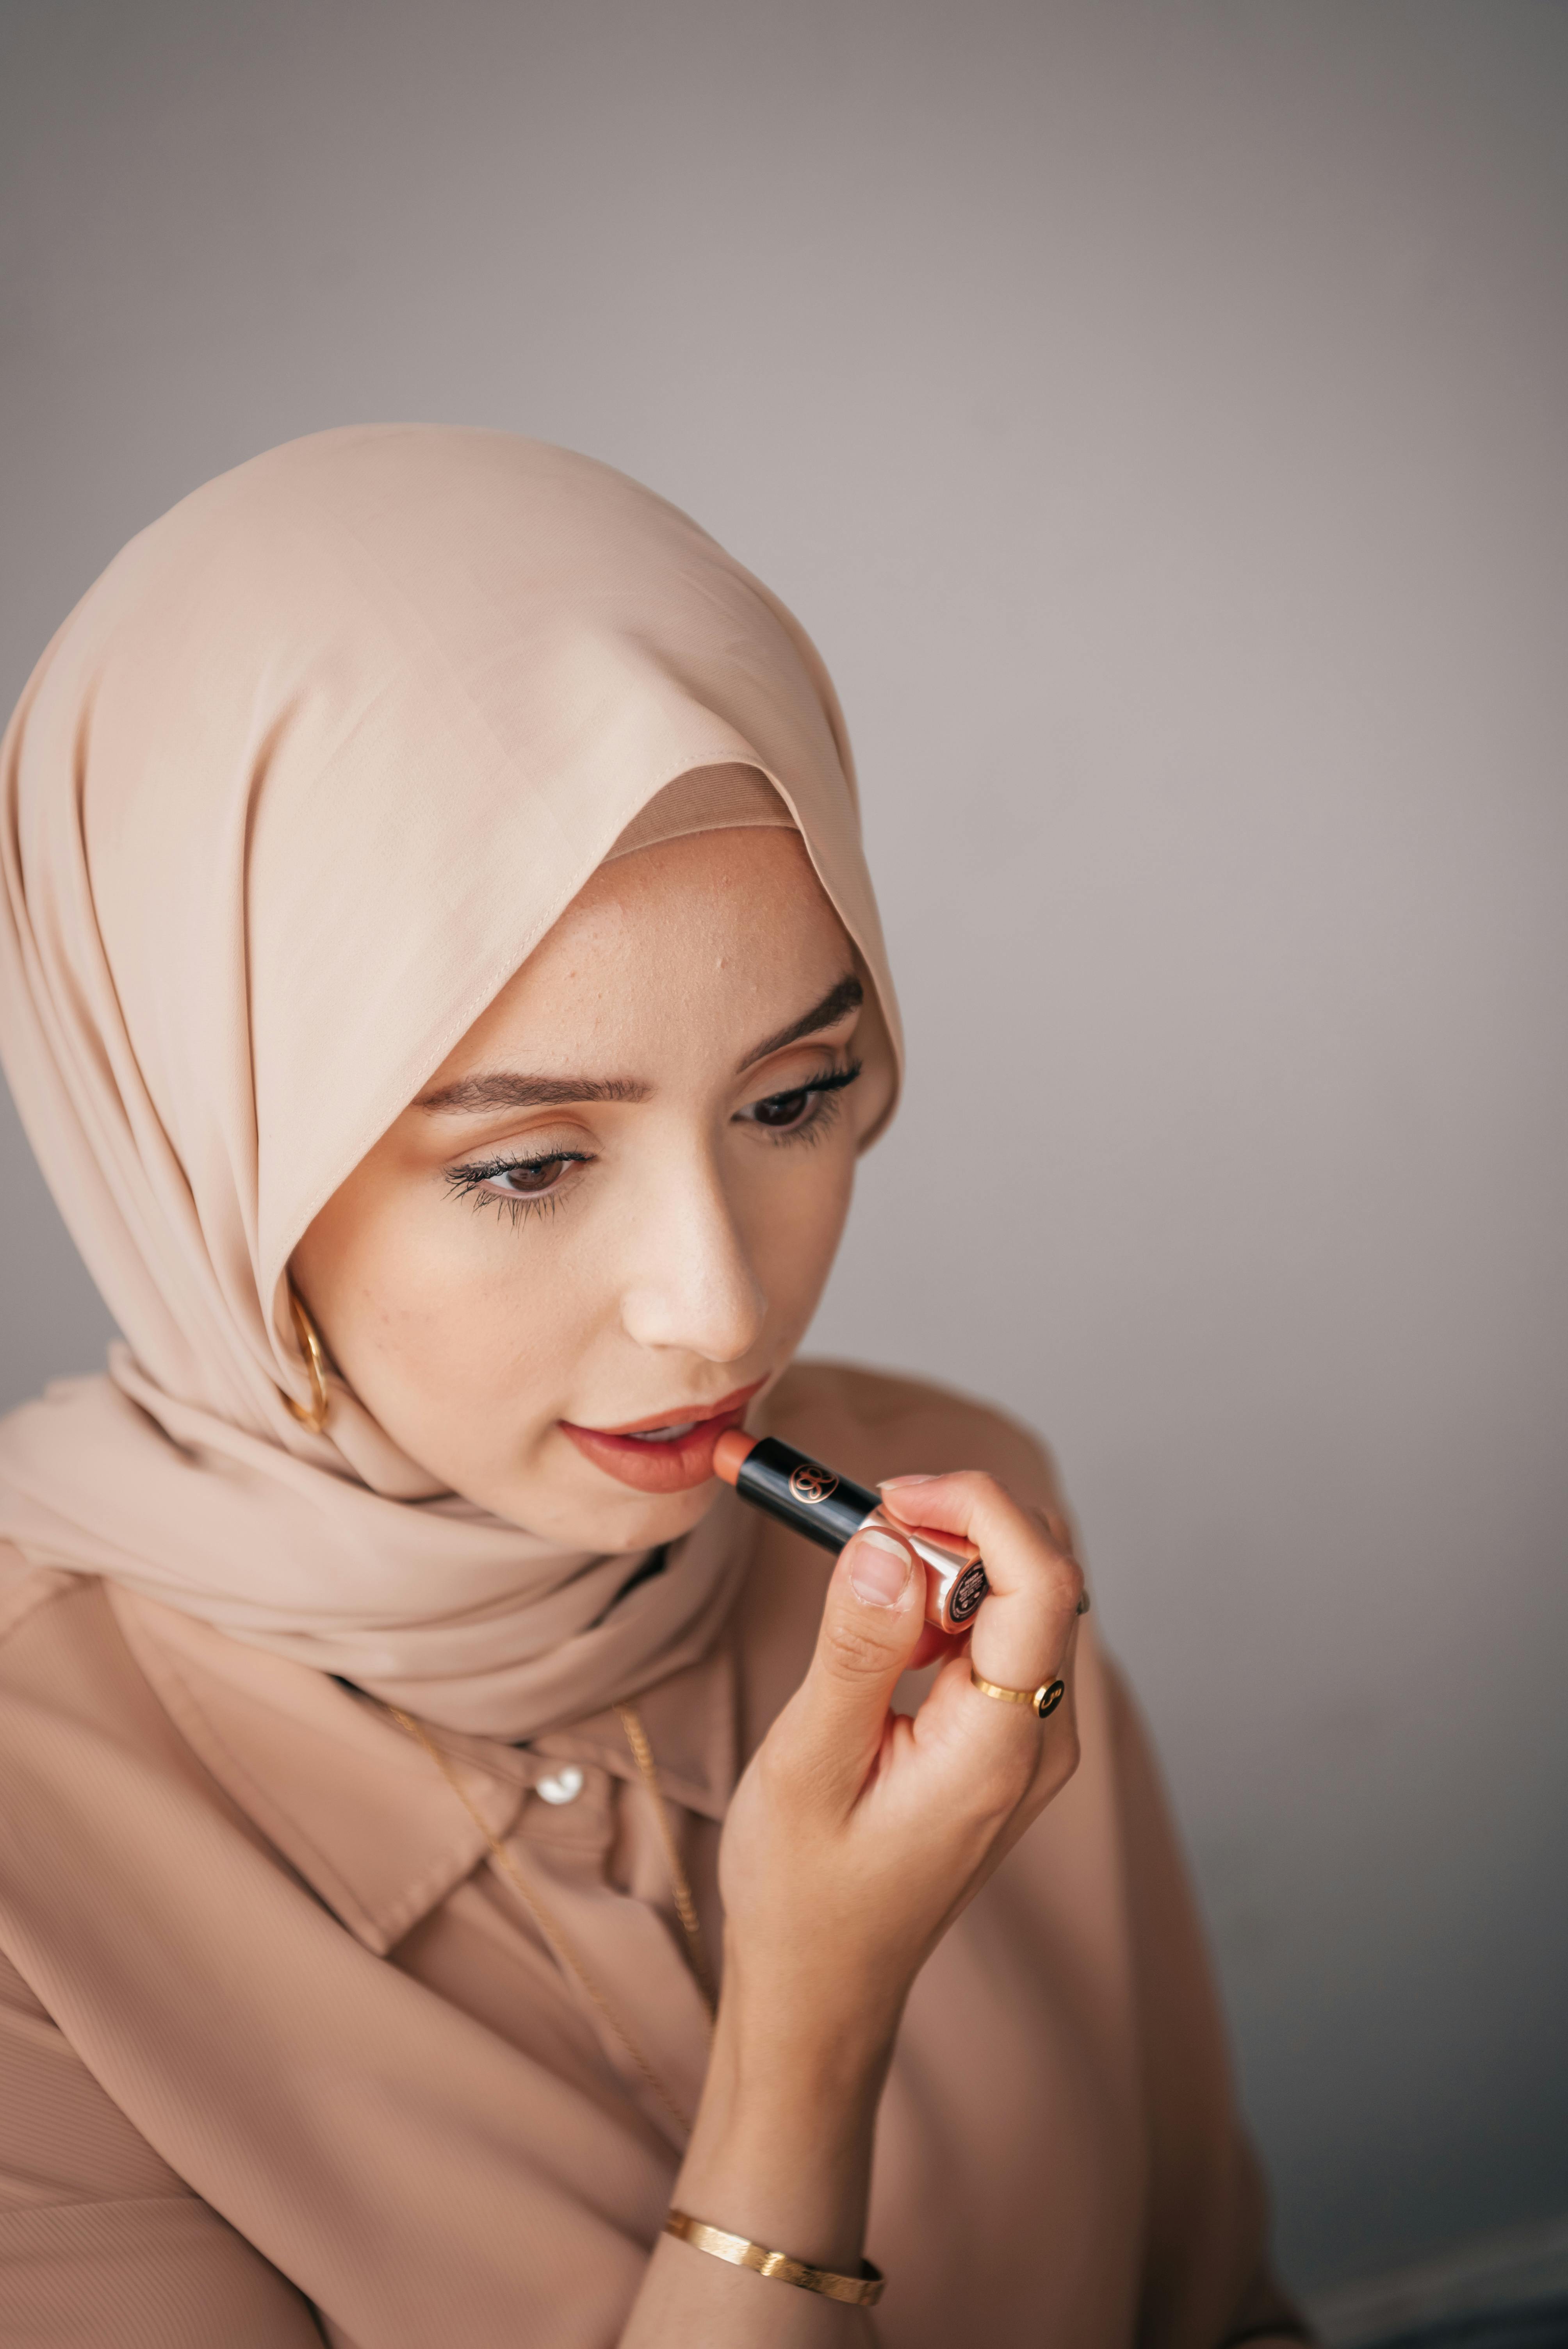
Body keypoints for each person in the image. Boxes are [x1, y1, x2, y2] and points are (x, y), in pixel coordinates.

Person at [0, 426, 1308, 2347]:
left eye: (791, 1100)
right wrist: (806, 2049)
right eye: (529, 1164)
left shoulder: (952, 1532)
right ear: (200, 1152)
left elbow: (1208, 2307)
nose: (717, 1312)